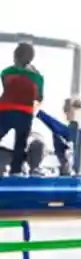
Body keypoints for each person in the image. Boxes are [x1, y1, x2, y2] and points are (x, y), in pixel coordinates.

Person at [0, 43, 42, 176]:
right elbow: (39, 97)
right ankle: (16, 171)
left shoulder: (6, 72)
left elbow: (6, 86)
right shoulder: (37, 77)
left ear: (15, 56)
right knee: (20, 143)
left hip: (5, 110)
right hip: (25, 112)